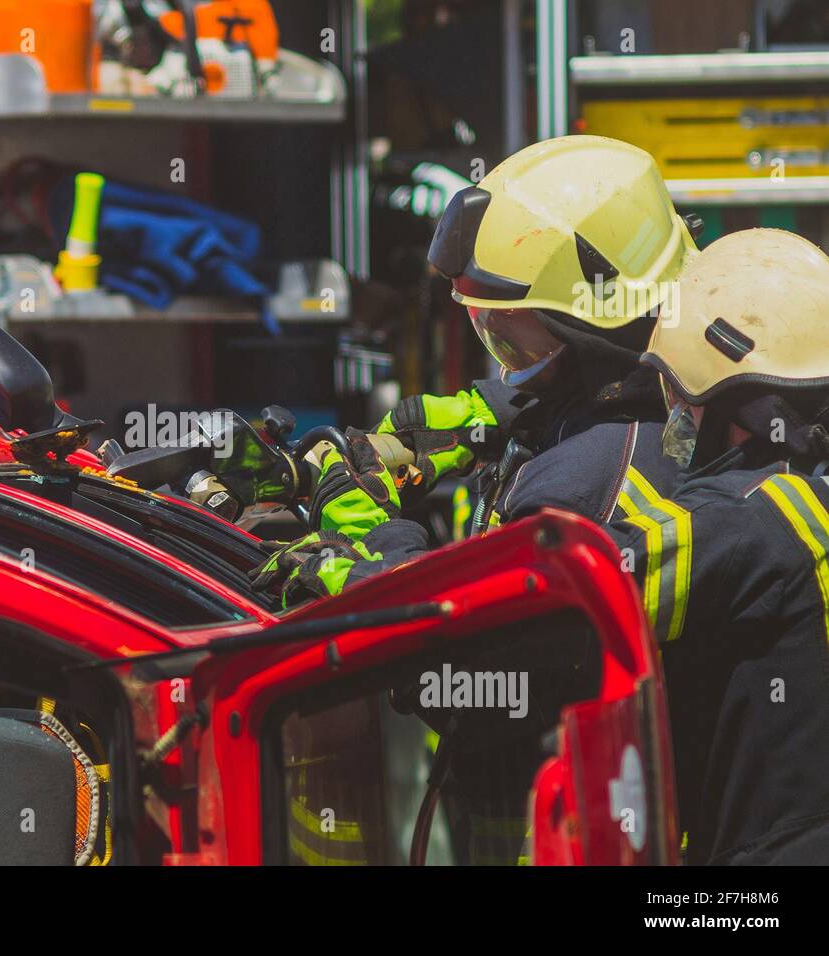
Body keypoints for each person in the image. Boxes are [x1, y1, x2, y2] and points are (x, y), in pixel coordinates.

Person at [284, 228, 829, 864]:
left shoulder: (759, 523)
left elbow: (546, 607)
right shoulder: (798, 500)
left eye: (680, 395)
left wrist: (369, 561)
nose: (672, 417)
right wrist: (495, 421)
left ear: (734, 397)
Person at [254, 134, 701, 608]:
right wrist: (487, 416)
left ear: (589, 325)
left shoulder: (569, 497)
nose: (499, 347)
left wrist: (376, 544)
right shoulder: (677, 400)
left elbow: (469, 647)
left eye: (511, 326)